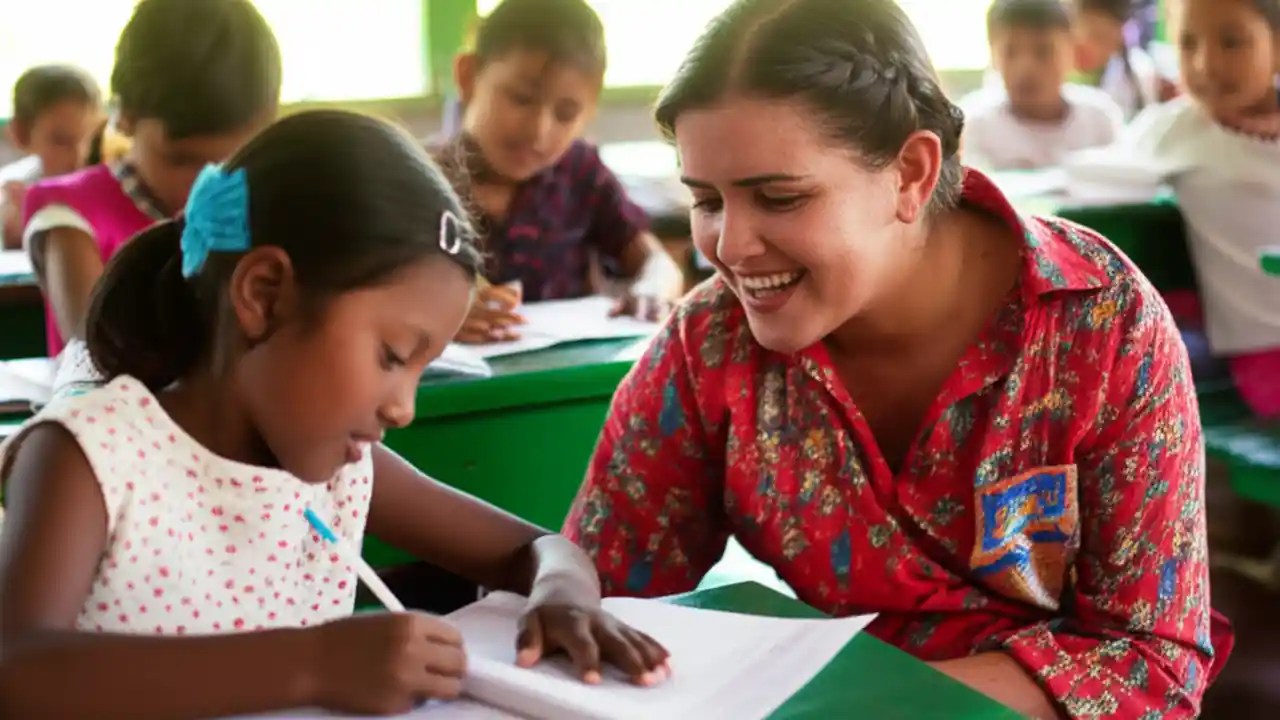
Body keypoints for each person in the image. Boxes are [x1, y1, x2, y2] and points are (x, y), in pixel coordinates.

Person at [562, 0, 1229, 717]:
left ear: (911, 173)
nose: (728, 247)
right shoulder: (711, 347)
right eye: (706, 200)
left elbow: (1148, 662)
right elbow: (608, 594)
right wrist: (558, 594)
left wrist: (852, 703)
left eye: (780, 198)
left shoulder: (1099, 324)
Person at [0, 110, 669, 718]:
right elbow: (17, 670)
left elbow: (540, 547)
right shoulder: (92, 458)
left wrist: (563, 595)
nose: (403, 407)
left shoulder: (344, 472)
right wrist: (310, 663)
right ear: (264, 295)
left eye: (419, 367)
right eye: (390, 355)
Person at [23, 0, 280, 359]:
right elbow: (100, 356)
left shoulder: (253, 215)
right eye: (181, 160)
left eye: (226, 165)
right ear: (124, 115)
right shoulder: (70, 216)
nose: (202, 185)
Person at [1064, 0, 1280, 420]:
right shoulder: (1176, 130)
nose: (1206, 63)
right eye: (1187, 44)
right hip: (1265, 350)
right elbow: (1084, 174)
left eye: (1231, 42)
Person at [439, 0, 683, 344]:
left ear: (590, 112)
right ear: (468, 76)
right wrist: (438, 309)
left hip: (568, 380)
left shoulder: (581, 173)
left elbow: (658, 262)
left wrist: (653, 287)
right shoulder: (421, 176)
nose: (539, 131)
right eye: (521, 98)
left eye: (566, 113)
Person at [961, 0, 1124, 170]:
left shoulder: (1098, 120)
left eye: (1043, 51)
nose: (1025, 68)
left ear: (1071, 51)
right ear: (992, 54)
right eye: (1010, 52)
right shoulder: (975, 125)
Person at [0, 65, 103, 250]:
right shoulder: (9, 196)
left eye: (88, 140)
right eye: (61, 141)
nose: (78, 158)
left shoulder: (111, 189)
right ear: (20, 133)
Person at [1070, 0, 1162, 118]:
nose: (1094, 47)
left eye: (1103, 37)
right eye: (1093, 35)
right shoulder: (1057, 69)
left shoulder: (1139, 70)